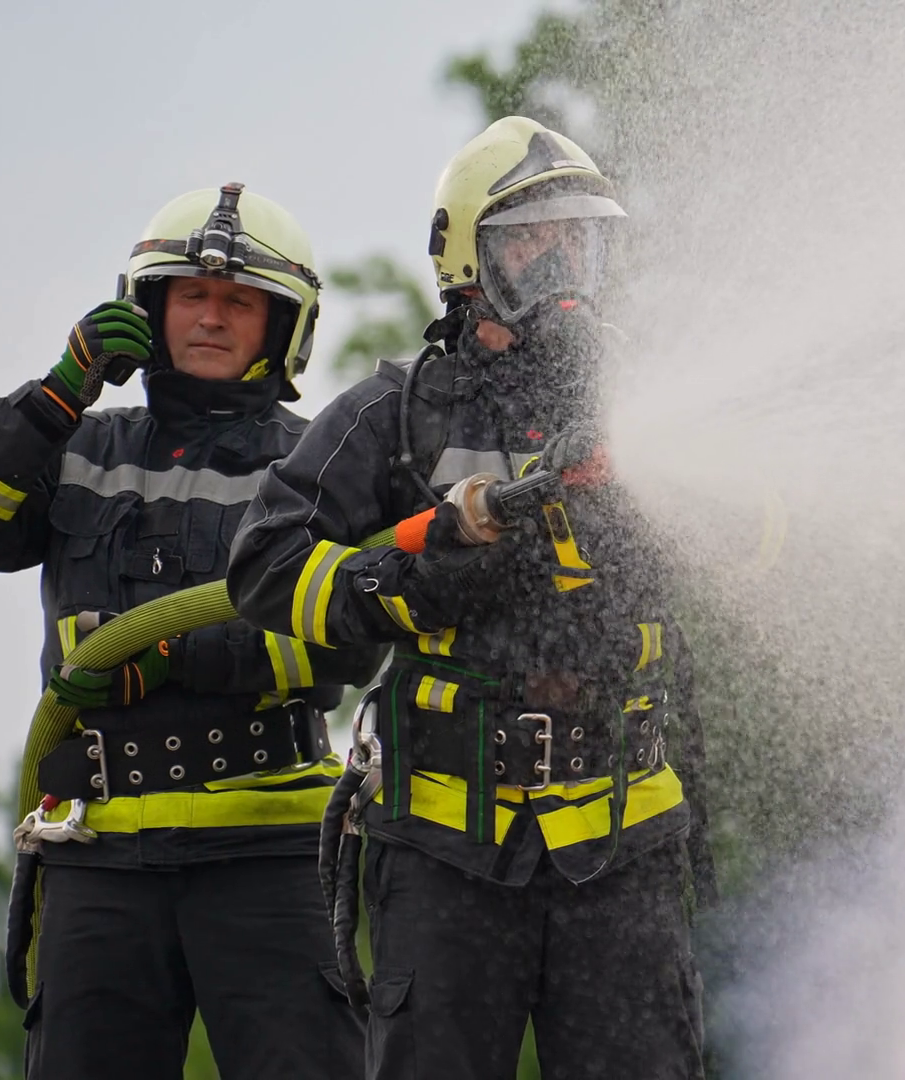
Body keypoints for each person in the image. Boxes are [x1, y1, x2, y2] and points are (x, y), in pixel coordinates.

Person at [227, 116, 706, 1079]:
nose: (563, 262)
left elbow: (756, 545)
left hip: (623, 846)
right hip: (446, 851)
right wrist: (426, 574)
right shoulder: (398, 411)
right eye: (533, 240)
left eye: (580, 238)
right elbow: (266, 566)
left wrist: (647, 512)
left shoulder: (660, 396)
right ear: (466, 260)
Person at [0, 184, 380, 1079]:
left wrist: (159, 657)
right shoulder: (76, 445)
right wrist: (54, 394)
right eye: (190, 296)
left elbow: (346, 637)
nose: (210, 317)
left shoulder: (319, 465)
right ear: (147, 310)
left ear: (285, 329)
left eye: (239, 302)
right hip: (99, 856)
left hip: (271, 852)